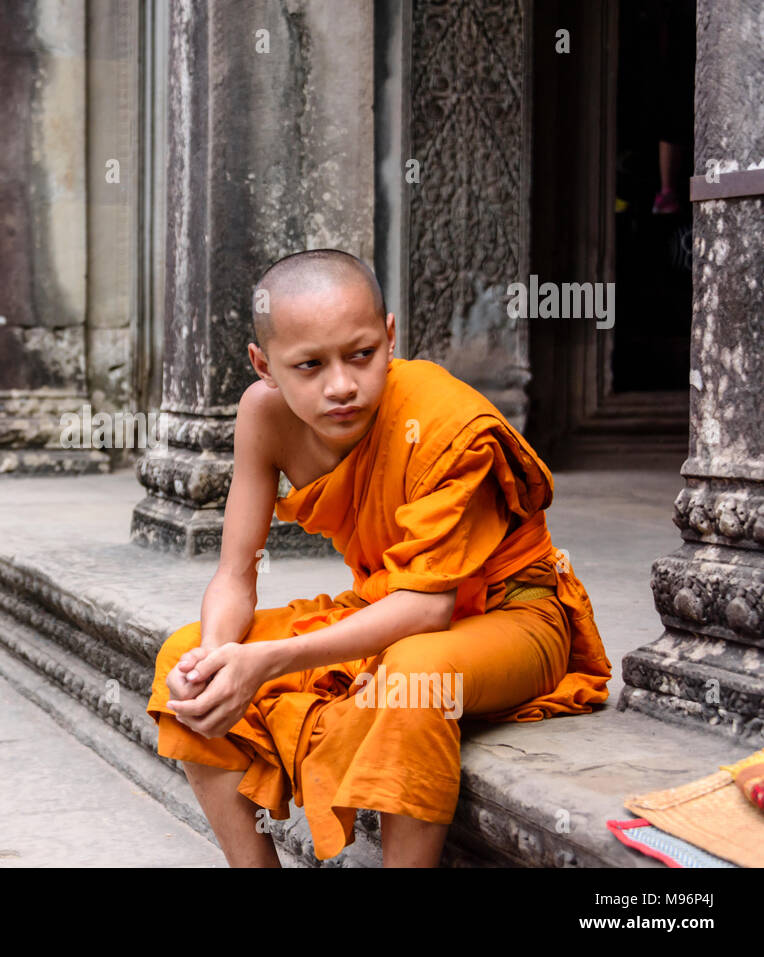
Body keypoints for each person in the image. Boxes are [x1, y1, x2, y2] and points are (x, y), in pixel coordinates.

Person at [145, 249, 612, 867]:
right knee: (186, 657)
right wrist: (217, 658)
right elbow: (235, 574)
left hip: (513, 619)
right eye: (308, 365)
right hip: (384, 609)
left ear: (390, 338)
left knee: (417, 676)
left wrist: (271, 658)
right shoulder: (264, 415)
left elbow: (426, 608)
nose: (341, 385)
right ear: (264, 366)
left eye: (361, 355)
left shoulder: (444, 421)